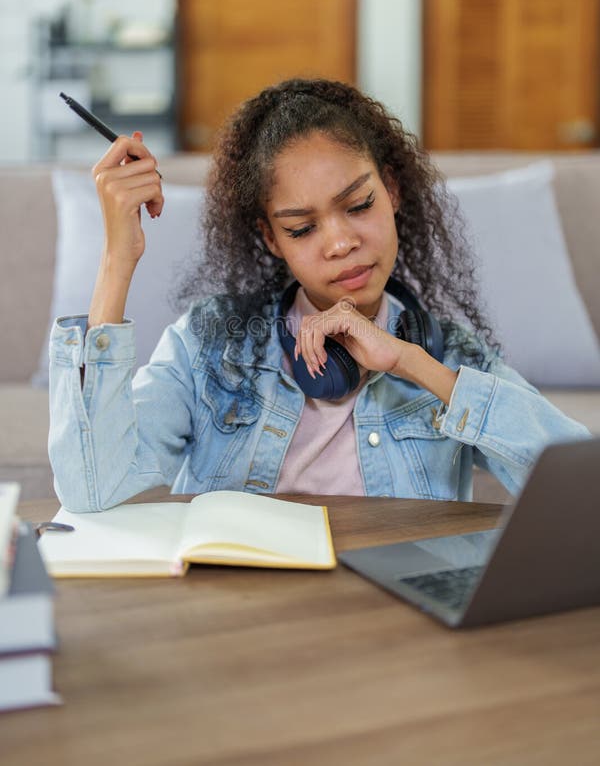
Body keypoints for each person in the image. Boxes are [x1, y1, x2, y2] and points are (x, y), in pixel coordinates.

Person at [48, 78, 589, 512]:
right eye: (302, 228)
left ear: (392, 192)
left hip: (397, 625)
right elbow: (94, 489)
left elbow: (578, 487)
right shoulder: (211, 345)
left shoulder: (447, 357)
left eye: (358, 206)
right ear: (271, 238)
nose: (341, 243)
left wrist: (412, 364)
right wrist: (118, 260)